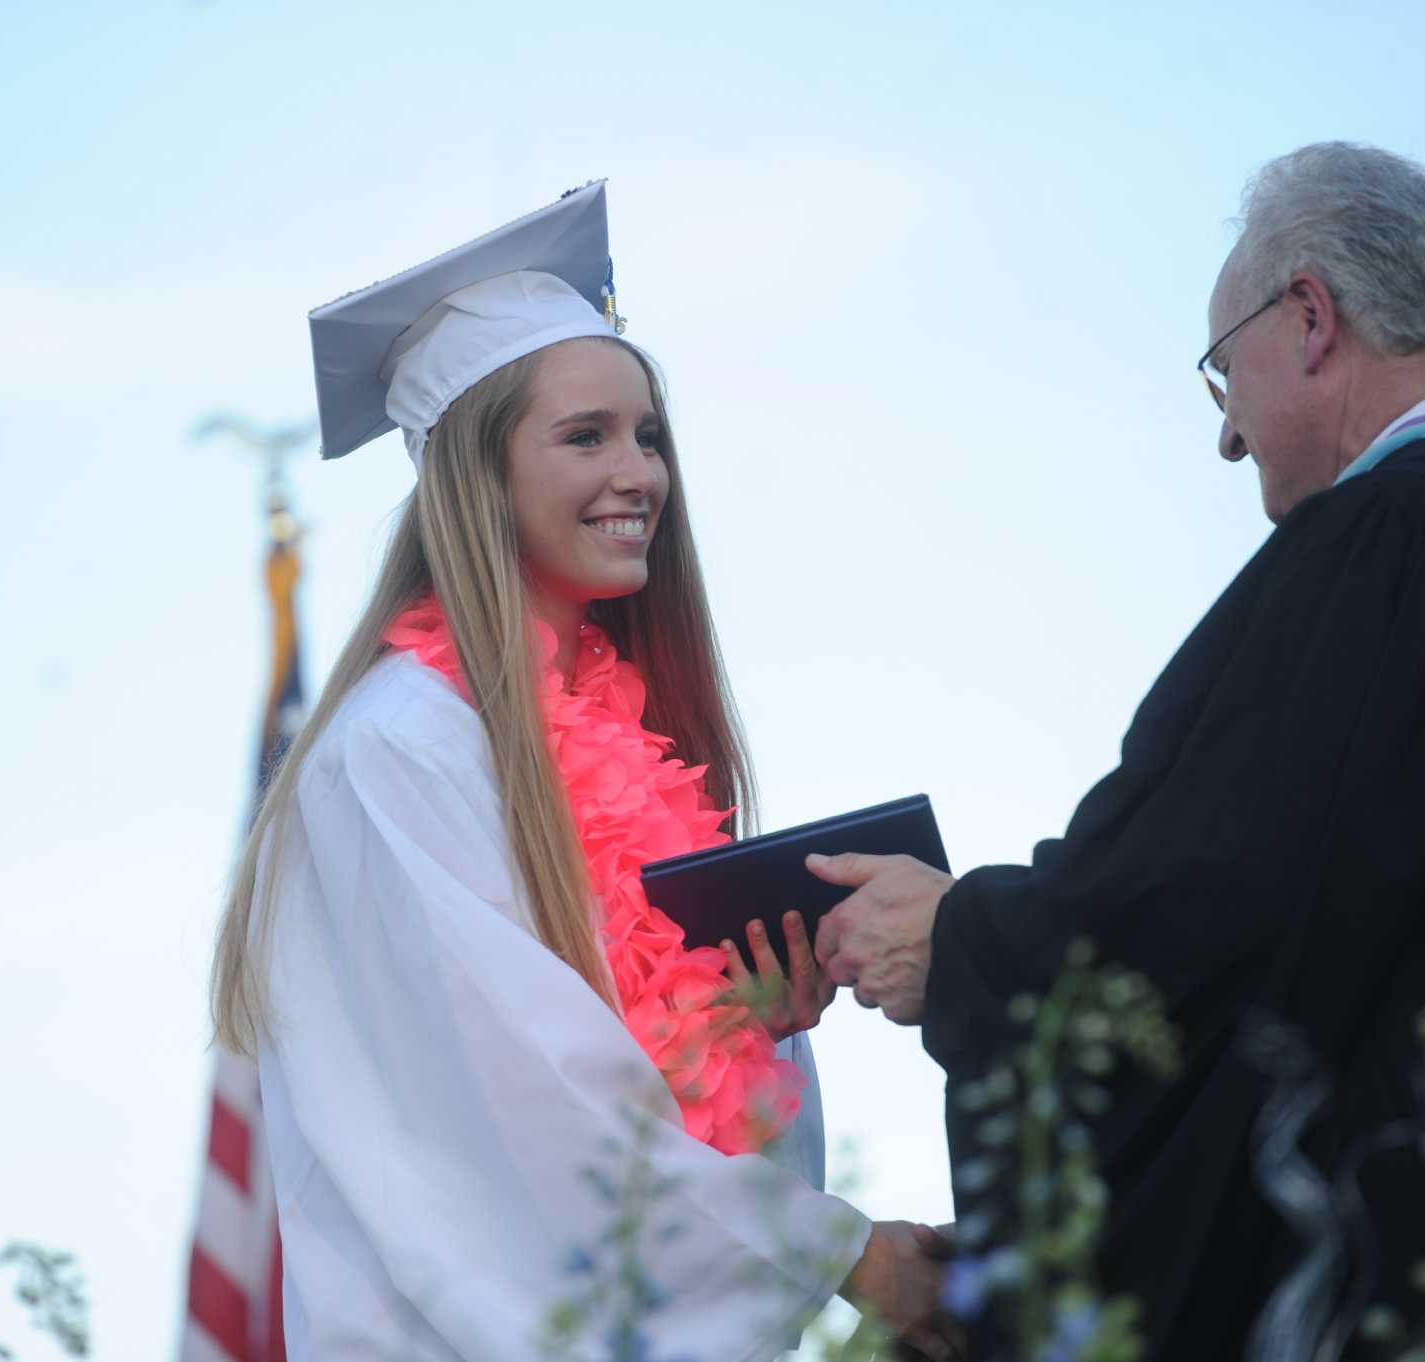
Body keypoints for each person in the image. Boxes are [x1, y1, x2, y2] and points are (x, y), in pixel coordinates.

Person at [813, 142, 1425, 1357]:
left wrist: (963, 944)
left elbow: (1203, 918)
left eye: (1221, 374)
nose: (1227, 440)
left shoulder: (1407, 538)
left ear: (1307, 317)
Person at [209, 183, 949, 1360]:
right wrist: (844, 1254)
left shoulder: (629, 753)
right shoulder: (395, 748)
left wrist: (750, 1022)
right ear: (476, 472)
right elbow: (523, 1108)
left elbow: (638, 1066)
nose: (639, 472)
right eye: (585, 435)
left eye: (647, 434)